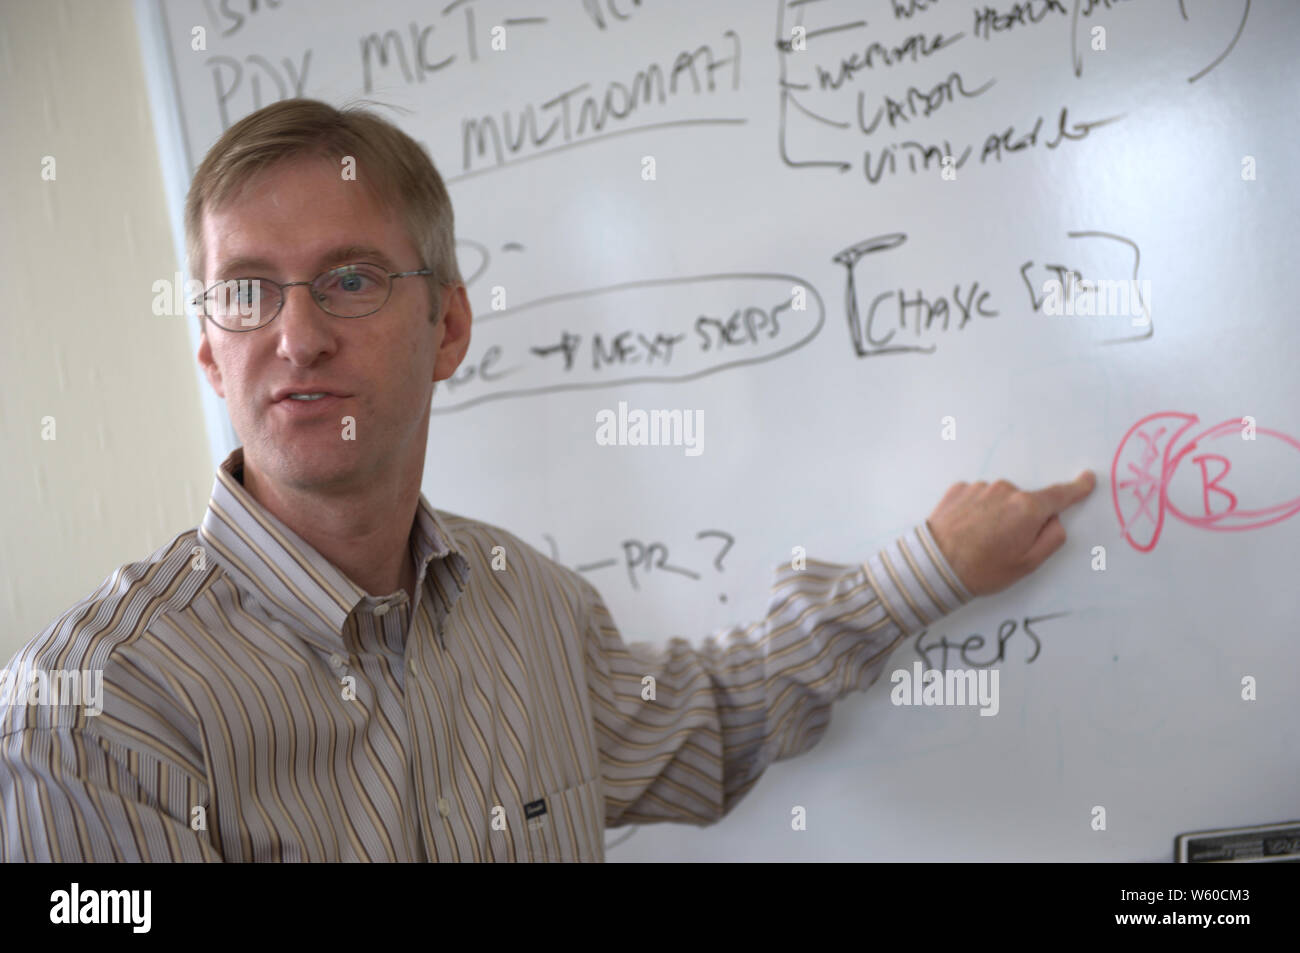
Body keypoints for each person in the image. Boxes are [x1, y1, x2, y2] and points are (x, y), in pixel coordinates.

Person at [0, 99, 1095, 862]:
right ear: (208, 350)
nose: (295, 336)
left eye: (350, 277)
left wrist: (929, 569)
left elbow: (708, 724)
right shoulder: (93, 708)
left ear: (449, 325)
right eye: (245, 291)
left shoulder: (532, 607)